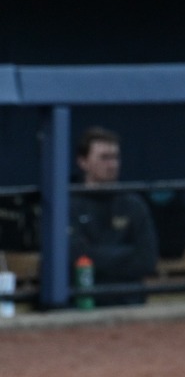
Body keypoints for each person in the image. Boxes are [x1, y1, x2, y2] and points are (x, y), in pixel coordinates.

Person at [69, 126, 158, 308]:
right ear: (83, 162)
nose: (112, 165)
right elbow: (73, 257)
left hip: (129, 303)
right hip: (82, 304)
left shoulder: (134, 205)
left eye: (115, 157)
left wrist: (95, 255)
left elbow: (147, 259)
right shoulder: (68, 205)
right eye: (104, 158)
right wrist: (124, 253)